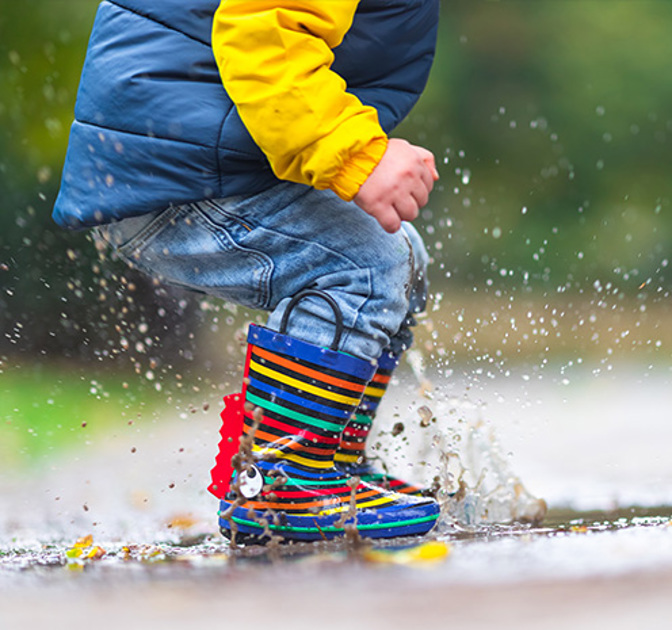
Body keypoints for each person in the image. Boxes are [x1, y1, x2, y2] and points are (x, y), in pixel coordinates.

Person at [53, 0, 442, 543]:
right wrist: (357, 155)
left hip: (186, 153)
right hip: (173, 166)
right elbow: (262, 33)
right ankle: (280, 486)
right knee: (367, 262)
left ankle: (324, 461)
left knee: (403, 257)